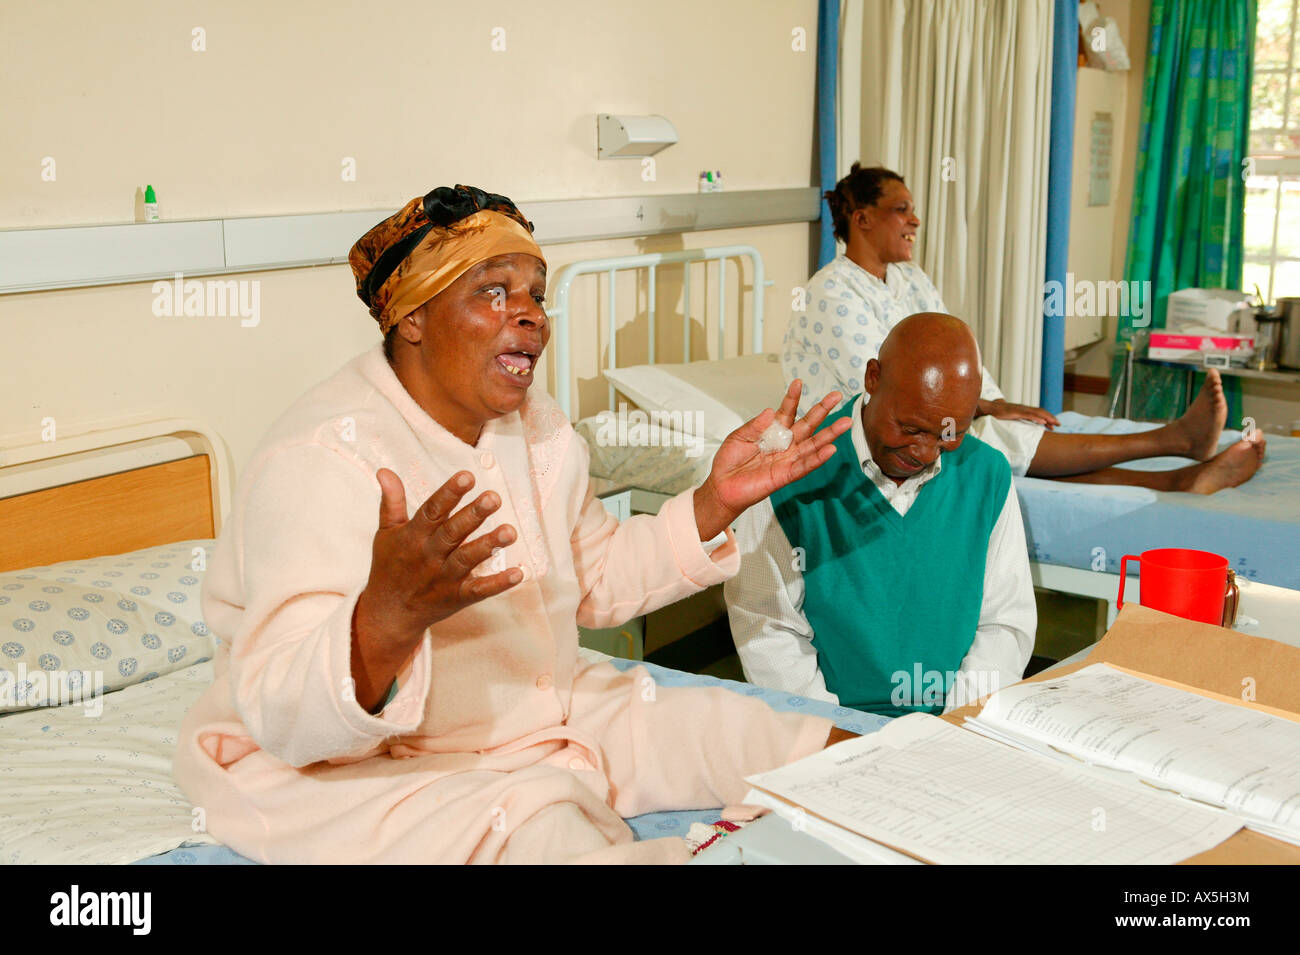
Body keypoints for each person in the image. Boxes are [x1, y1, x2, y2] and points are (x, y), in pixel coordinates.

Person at [173, 184, 856, 865]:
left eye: (536, 292)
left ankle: (923, 803)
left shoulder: (537, 427)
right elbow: (285, 715)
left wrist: (713, 503)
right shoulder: (320, 457)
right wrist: (387, 618)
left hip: (539, 707)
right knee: (542, 824)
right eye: (495, 292)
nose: (530, 313)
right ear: (412, 315)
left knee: (769, 735)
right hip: (370, 767)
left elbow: (596, 576)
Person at [784, 163, 1266, 493]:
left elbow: (955, 355)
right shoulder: (831, 293)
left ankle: (1178, 480)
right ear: (863, 219)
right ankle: (1174, 442)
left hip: (935, 417)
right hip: (873, 433)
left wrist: (990, 405)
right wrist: (990, 409)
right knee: (999, 444)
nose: (915, 219)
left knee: (1007, 439)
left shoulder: (910, 278)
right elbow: (883, 390)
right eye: (901, 209)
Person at [726, 313, 1035, 714]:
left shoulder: (987, 476)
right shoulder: (791, 475)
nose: (925, 453)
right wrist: (829, 731)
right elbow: (766, 625)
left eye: (949, 434)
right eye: (909, 429)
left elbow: (1005, 623)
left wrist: (954, 725)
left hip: (955, 722)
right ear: (873, 378)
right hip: (829, 724)